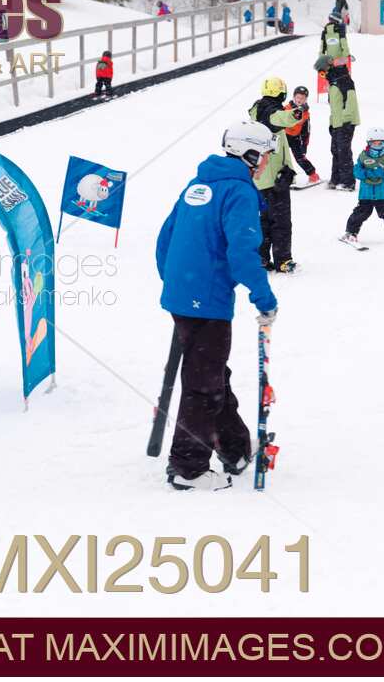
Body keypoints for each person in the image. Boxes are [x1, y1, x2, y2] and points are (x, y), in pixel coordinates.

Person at [155, 121, 279, 491]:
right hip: (205, 301)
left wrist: (177, 283)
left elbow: (165, 240)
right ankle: (187, 469)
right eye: (265, 156)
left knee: (210, 373)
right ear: (250, 154)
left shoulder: (199, 184)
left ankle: (234, 448)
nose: (265, 164)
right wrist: (264, 298)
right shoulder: (238, 192)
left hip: (187, 297)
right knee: (203, 385)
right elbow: (242, 252)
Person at [249, 77, 302, 273]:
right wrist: (295, 114)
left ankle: (261, 258)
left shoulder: (257, 111)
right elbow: (279, 118)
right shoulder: (269, 111)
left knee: (264, 221)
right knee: (280, 222)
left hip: (261, 178)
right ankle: (282, 260)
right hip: (275, 179)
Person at [316, 11, 360, 191]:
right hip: (337, 123)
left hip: (346, 122)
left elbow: (350, 101)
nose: (321, 75)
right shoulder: (332, 81)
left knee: (344, 151)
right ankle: (335, 179)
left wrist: (344, 120)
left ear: (327, 67)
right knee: (335, 150)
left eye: (322, 71)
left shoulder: (343, 78)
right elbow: (334, 106)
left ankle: (348, 182)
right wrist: (333, 122)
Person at [342, 128, 384, 247]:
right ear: (369, 143)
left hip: (381, 194)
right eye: (374, 143)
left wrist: (383, 173)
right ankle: (351, 233)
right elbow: (357, 171)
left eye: (381, 143)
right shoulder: (363, 156)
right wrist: (367, 174)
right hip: (366, 194)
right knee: (361, 213)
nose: (377, 146)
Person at [284, 86, 319, 184]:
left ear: (306, 100)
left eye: (302, 98)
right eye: (298, 97)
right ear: (294, 97)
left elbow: (306, 131)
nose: (299, 100)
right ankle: (287, 177)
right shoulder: (286, 108)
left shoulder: (305, 114)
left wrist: (304, 146)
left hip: (295, 138)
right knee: (282, 157)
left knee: (300, 158)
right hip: (284, 136)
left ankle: (312, 174)